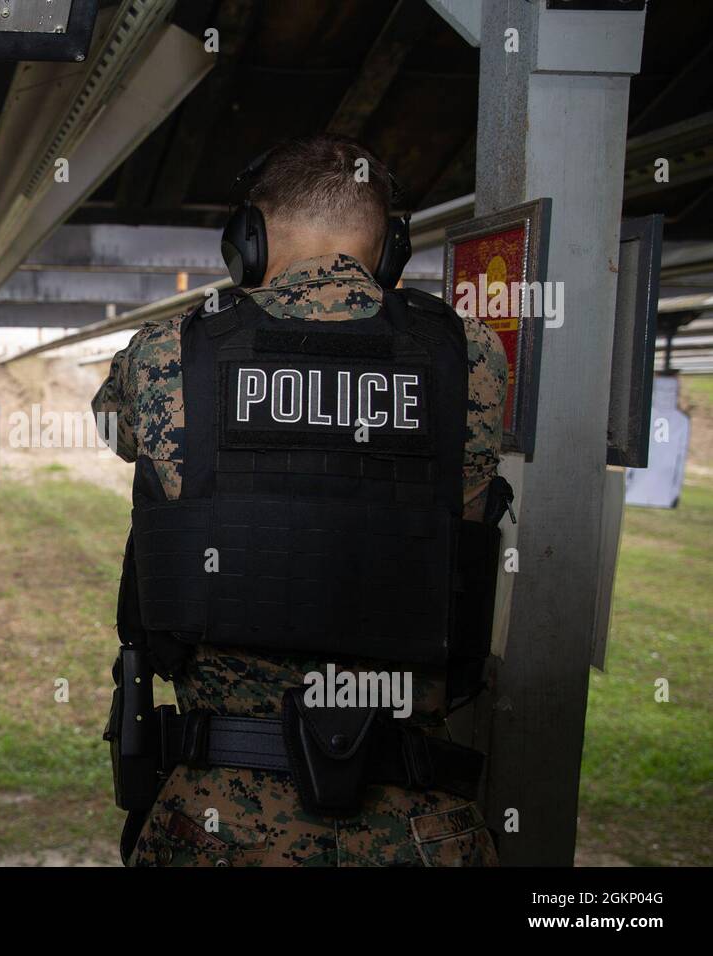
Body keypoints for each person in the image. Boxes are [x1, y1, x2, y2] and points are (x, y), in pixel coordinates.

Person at [93, 134, 509, 867]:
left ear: (246, 241)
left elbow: (115, 426)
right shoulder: (470, 356)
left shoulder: (166, 353)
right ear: (393, 249)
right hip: (419, 824)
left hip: (220, 823)